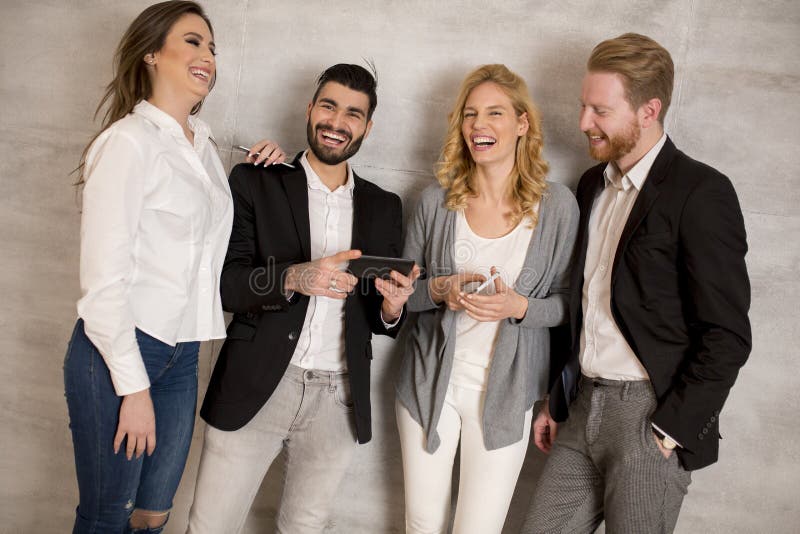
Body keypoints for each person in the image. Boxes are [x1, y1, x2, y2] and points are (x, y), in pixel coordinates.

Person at [63, 2, 284, 532]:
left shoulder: (203, 147)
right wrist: (132, 389)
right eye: (192, 42)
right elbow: (103, 286)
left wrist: (263, 158)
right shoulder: (127, 144)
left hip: (182, 355)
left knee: (153, 514)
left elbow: (200, 231)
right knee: (106, 518)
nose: (207, 55)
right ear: (151, 53)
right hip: (121, 349)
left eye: (212, 47)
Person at [522, 33, 751, 534]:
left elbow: (727, 334)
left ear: (649, 111)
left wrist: (671, 430)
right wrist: (556, 400)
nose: (583, 123)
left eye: (600, 110)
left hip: (650, 417)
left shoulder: (702, 192)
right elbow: (584, 303)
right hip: (581, 408)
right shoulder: (589, 186)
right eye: (584, 106)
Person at [186, 63, 419, 534]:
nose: (337, 122)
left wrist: (393, 308)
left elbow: (377, 314)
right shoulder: (257, 180)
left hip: (339, 398)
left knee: (305, 528)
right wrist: (294, 277)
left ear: (368, 127)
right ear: (310, 109)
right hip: (257, 383)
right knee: (210, 525)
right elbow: (227, 286)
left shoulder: (384, 206)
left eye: (353, 113)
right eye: (328, 106)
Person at [395, 64, 579, 534]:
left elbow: (569, 306)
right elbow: (405, 294)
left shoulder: (557, 206)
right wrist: (440, 290)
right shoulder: (435, 201)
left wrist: (518, 307)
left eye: (494, 113)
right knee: (421, 523)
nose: (479, 125)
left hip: (506, 396)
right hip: (429, 384)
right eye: (470, 114)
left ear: (522, 124)